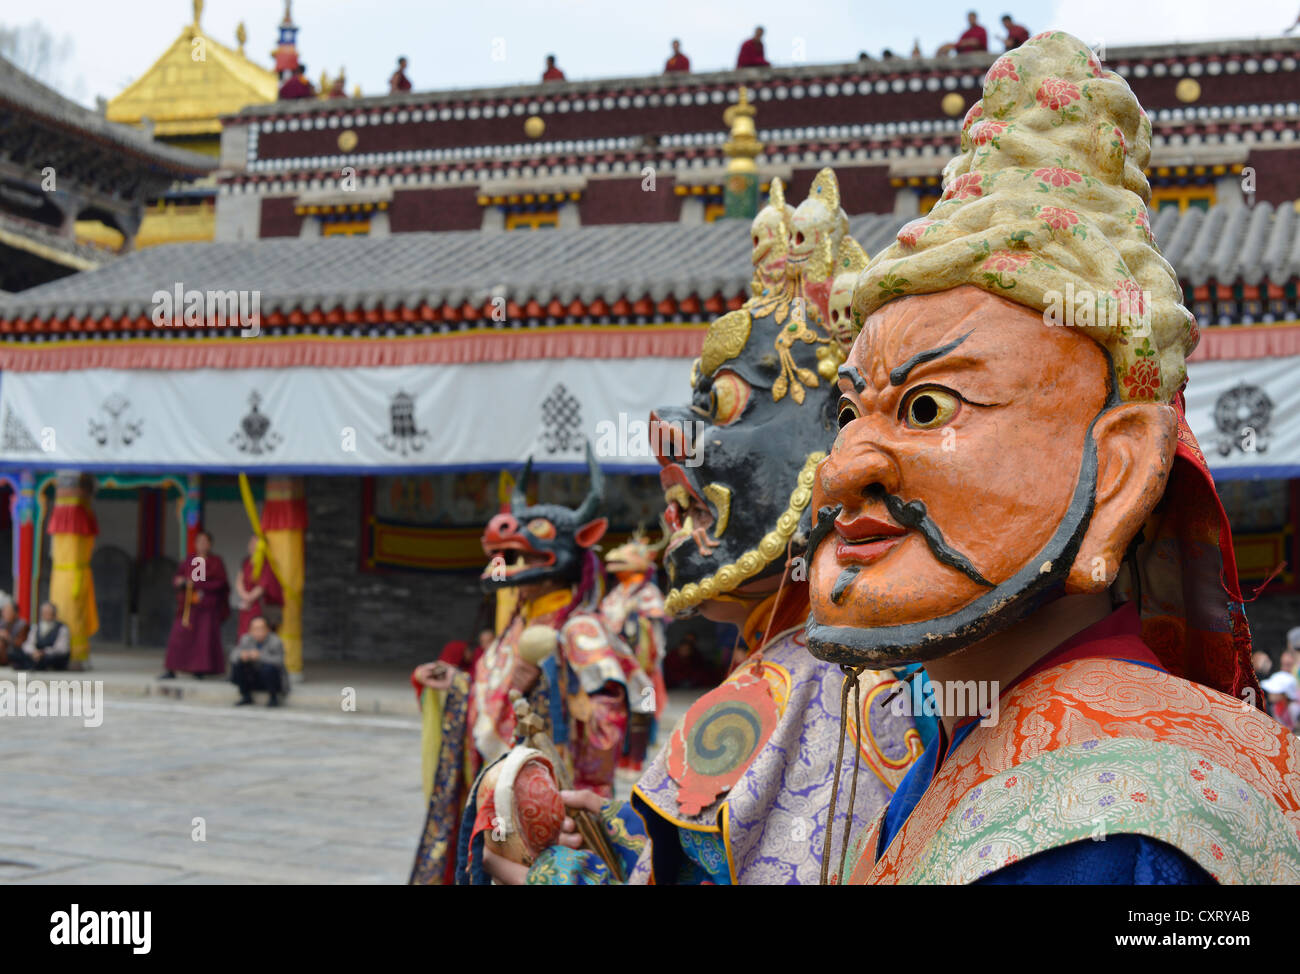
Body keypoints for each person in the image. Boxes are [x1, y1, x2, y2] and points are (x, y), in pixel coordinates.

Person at [809, 31, 1300, 885]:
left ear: (1115, 473)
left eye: (929, 407)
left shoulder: (1120, 826)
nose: (840, 469)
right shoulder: (956, 734)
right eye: (849, 412)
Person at [518, 173, 929, 886]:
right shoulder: (872, 661)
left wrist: (551, 874)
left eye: (725, 403)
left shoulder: (800, 682)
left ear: (838, 435)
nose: (673, 442)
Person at [162, 530, 230, 679]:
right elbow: (178, 577)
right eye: (199, 541)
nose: (202, 544)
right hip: (187, 606)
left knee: (203, 639)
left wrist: (200, 586)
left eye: (205, 542)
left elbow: (221, 583)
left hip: (206, 606)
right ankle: (171, 669)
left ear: (210, 544)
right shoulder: (190, 560)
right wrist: (181, 582)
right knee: (178, 636)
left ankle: (200, 669)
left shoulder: (215, 561)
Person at [229, 616, 287, 707]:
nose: (258, 632)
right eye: (255, 629)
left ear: (267, 629)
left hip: (271, 680)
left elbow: (280, 661)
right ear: (250, 630)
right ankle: (246, 696)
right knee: (238, 664)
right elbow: (233, 655)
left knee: (269, 668)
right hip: (254, 678)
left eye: (261, 628)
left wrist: (260, 656)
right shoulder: (246, 639)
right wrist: (242, 655)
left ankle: (273, 697)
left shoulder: (275, 641)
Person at [235, 535, 284, 638]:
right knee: (244, 633)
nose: (253, 546)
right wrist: (244, 596)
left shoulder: (267, 564)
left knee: (258, 633)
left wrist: (249, 598)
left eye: (256, 544)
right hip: (246, 605)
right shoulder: (246, 561)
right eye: (251, 543)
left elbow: (263, 585)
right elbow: (239, 581)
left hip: (259, 605)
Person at [12, 602, 69, 671]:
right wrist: (34, 652)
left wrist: (43, 652)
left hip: (50, 655)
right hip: (37, 654)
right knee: (16, 654)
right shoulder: (36, 627)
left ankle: (35, 665)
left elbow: (62, 648)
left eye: (49, 613)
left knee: (51, 659)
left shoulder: (62, 628)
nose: (46, 615)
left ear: (54, 614)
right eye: (44, 613)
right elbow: (29, 643)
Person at [0, 596, 29, 667]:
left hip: (15, 652)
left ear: (15, 613)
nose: (4, 614)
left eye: (8, 612)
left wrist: (8, 637)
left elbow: (20, 644)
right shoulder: (2, 623)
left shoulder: (22, 625)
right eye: (4, 611)